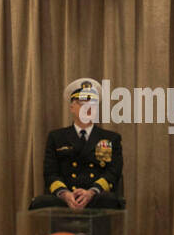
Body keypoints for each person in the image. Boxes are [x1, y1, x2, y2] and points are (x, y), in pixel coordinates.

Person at [28, 79, 124, 211]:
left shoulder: (111, 138)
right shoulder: (56, 137)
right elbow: (50, 173)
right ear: (72, 107)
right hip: (65, 198)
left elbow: (113, 172)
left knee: (110, 200)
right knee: (40, 203)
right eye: (81, 103)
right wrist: (65, 194)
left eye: (92, 104)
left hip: (96, 197)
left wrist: (90, 192)